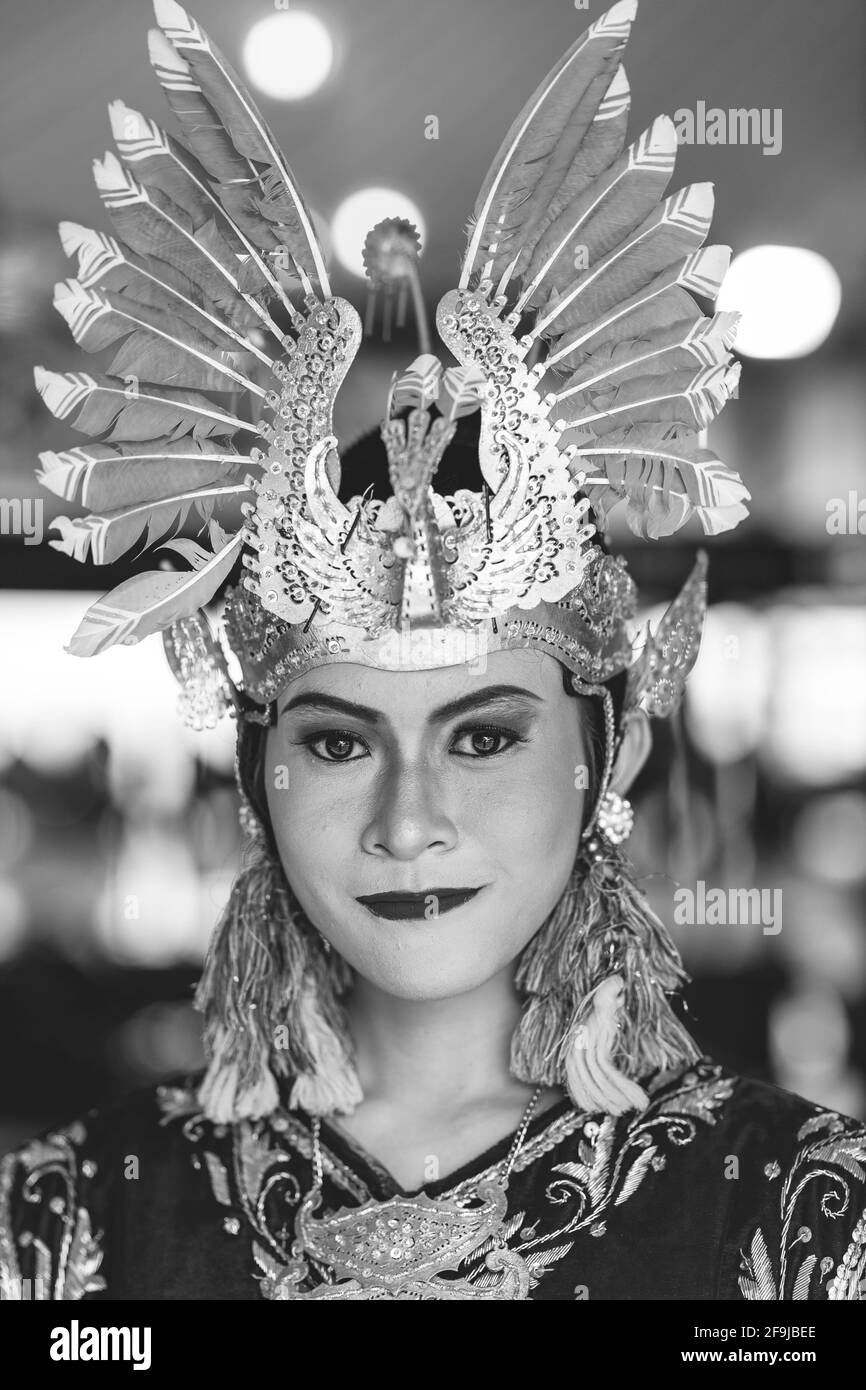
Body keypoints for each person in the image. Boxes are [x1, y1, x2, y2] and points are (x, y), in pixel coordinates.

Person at [2, 0, 864, 1301]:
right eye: (339, 739)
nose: (409, 824)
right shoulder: (65, 1231)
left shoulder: (803, 1228)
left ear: (606, 741)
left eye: (484, 733)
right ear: (253, 771)